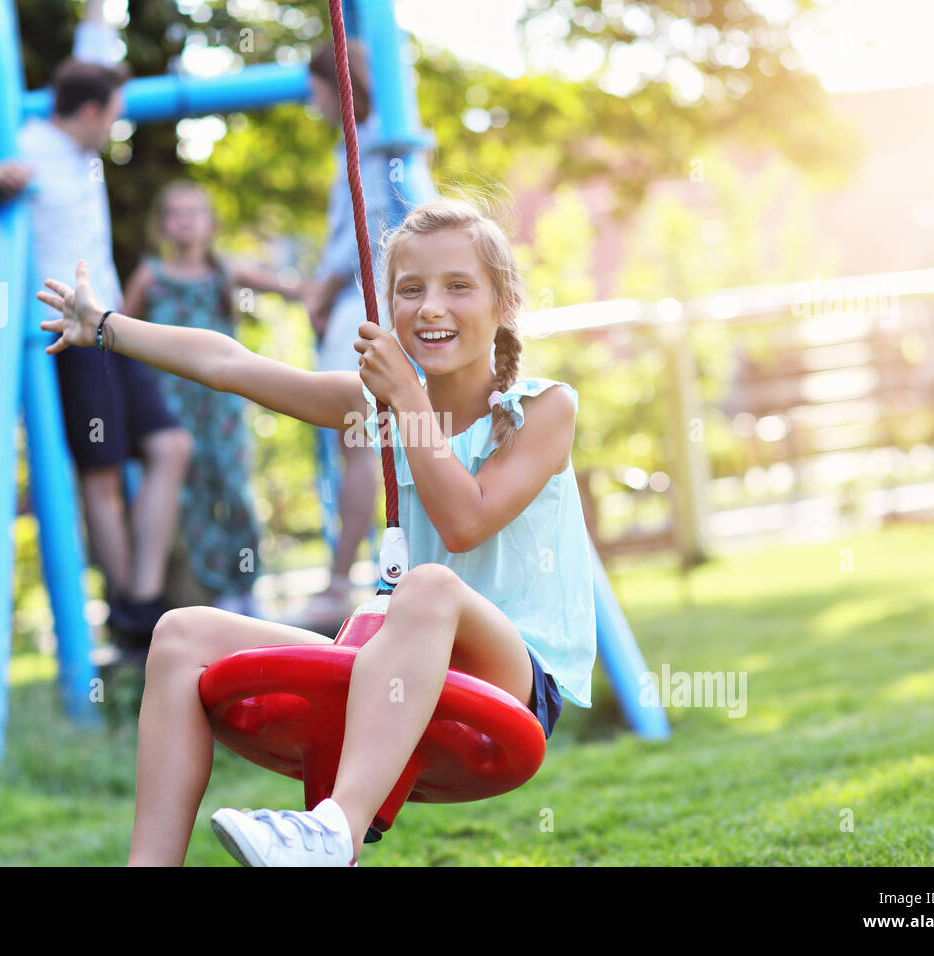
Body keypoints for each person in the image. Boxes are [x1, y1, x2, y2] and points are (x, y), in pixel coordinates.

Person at [37, 197, 597, 867]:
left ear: (504, 301)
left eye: (458, 287)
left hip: (516, 683)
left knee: (426, 589)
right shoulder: (377, 406)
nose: (431, 307)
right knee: (181, 635)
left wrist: (408, 401)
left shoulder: (542, 408)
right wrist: (107, 326)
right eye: (409, 290)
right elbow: (233, 366)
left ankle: (334, 832)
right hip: (400, 666)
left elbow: (465, 520)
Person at [0, 1, 190, 652]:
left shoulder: (83, 119)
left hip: (115, 323)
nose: (119, 123)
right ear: (93, 112)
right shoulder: (28, 152)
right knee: (99, 475)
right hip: (68, 331)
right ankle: (128, 614)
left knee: (170, 448)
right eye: (115, 114)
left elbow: (96, 36)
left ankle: (142, 599)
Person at [121, 181, 304, 619]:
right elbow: (118, 330)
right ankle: (213, 590)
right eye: (175, 213)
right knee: (190, 496)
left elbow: (288, 288)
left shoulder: (227, 273)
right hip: (173, 403)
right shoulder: (151, 276)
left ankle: (246, 584)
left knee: (234, 486)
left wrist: (326, 295)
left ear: (210, 223)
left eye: (194, 212)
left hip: (223, 403)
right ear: (162, 224)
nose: (185, 221)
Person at [295, 39, 409, 628]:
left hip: (363, 303)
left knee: (360, 443)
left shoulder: (380, 138)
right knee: (372, 441)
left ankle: (342, 581)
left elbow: (368, 227)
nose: (310, 101)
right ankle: (369, 574)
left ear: (336, 83)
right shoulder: (372, 136)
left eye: (314, 88)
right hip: (364, 300)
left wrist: (323, 286)